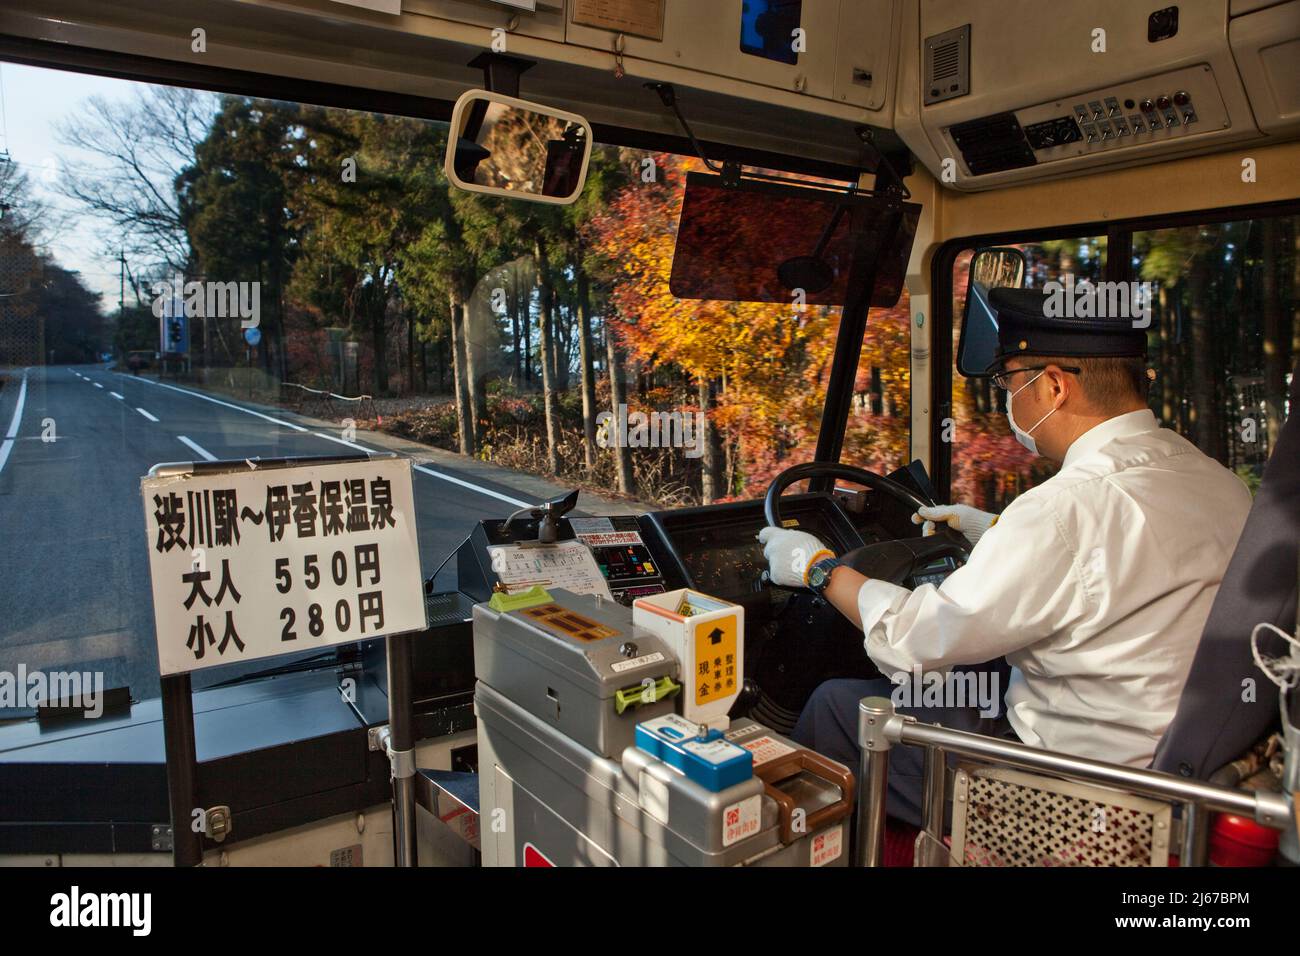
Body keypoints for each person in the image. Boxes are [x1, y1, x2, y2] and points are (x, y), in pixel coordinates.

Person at [759, 287, 1254, 826]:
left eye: (1009, 381)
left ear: (1055, 386)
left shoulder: (1064, 508)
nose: (1006, 397)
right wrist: (991, 531)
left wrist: (817, 568)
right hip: (1169, 758)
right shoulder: (1217, 481)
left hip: (1068, 784)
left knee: (836, 704)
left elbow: (916, 638)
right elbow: (1124, 564)